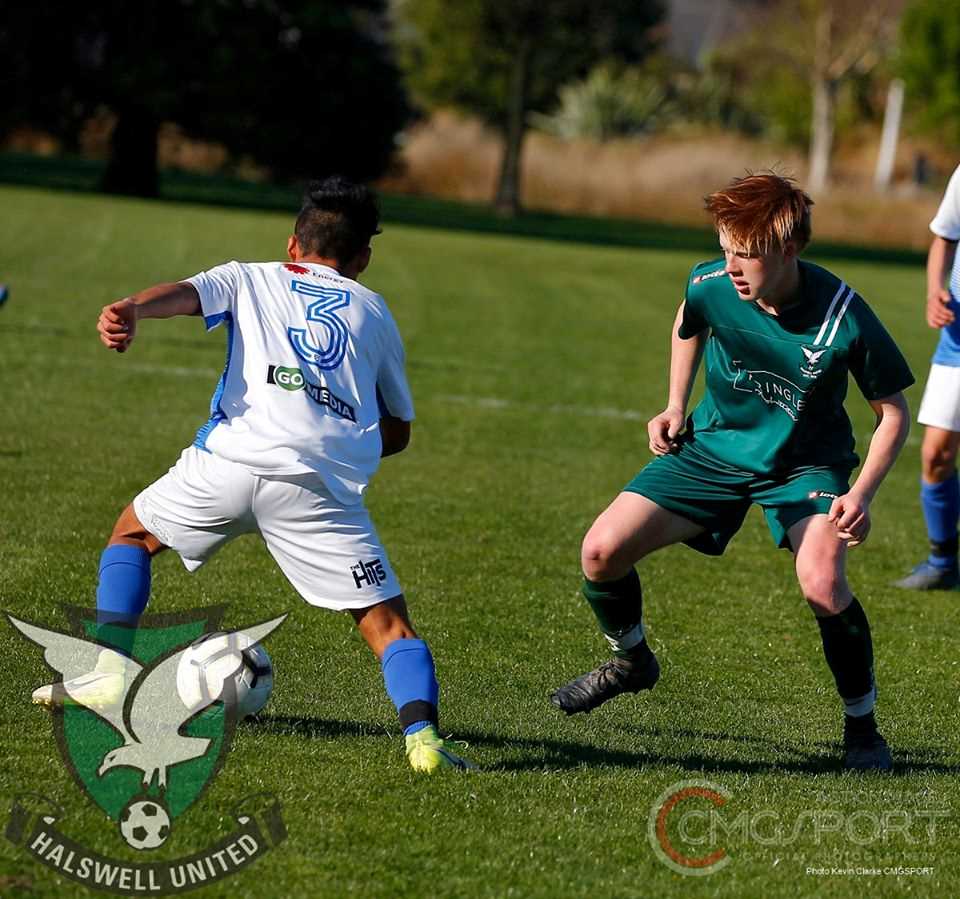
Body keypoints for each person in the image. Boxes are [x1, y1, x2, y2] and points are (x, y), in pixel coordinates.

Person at [32, 176, 471, 774]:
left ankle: (108, 673)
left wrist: (133, 307)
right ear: (363, 258)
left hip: (227, 465)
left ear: (293, 243)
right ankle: (424, 742)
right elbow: (398, 430)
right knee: (388, 626)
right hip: (317, 492)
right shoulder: (374, 310)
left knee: (132, 535)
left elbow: (185, 294)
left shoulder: (249, 275)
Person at [551, 173, 913, 771]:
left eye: (745, 254)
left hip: (805, 466)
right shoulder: (713, 282)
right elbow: (688, 317)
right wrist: (674, 403)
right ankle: (631, 660)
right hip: (715, 448)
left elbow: (892, 412)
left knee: (822, 582)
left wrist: (862, 492)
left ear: (789, 248)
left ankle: (863, 731)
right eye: (725, 250)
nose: (732, 267)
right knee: (600, 552)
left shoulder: (843, 314)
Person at [895, 163, 960, 589]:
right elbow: (945, 237)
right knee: (935, 454)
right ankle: (942, 562)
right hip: (959, 340)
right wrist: (935, 288)